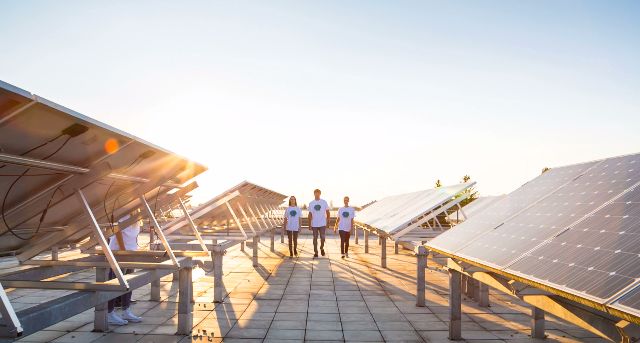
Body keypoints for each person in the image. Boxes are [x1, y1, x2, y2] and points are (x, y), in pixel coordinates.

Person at [106, 214, 143, 326]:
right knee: (115, 283)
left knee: (129, 282)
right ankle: (109, 313)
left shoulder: (136, 215)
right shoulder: (124, 212)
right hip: (119, 252)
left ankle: (126, 310)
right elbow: (117, 231)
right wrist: (123, 250)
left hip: (131, 251)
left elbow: (132, 235)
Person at [308, 189, 330, 258]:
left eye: (318, 193)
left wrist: (328, 222)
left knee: (323, 238)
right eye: (315, 193)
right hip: (314, 224)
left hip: (322, 223)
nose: (317, 194)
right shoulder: (311, 203)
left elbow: (328, 212)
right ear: (314, 194)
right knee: (315, 238)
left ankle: (321, 248)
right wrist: (309, 225)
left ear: (320, 194)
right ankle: (316, 252)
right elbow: (310, 214)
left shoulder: (324, 202)